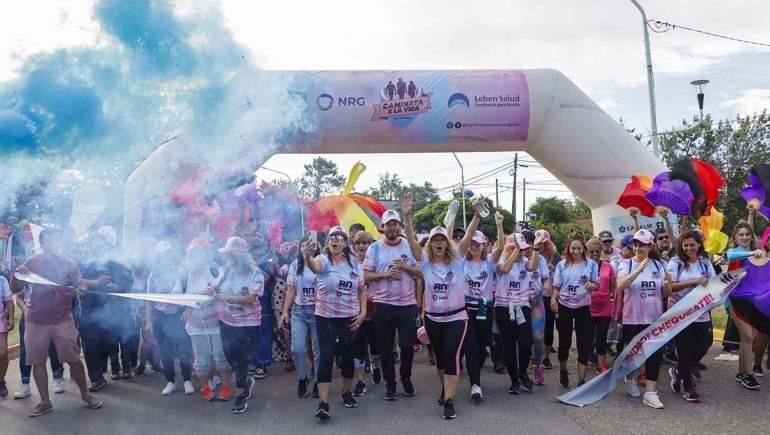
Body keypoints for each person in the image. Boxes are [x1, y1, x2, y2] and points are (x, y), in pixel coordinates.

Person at [9, 228, 102, 416]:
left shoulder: (68, 263)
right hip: (35, 320)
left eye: (55, 240)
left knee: (73, 359)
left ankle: (85, 394)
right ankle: (45, 402)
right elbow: (16, 288)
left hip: (62, 319)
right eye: (48, 241)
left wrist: (79, 290)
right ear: (43, 243)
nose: (52, 244)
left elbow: (79, 287)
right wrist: (17, 275)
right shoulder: (32, 262)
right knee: (37, 361)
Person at [402, 193, 470, 420]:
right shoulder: (425, 263)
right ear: (430, 245)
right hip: (433, 319)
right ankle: (445, 389)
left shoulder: (458, 259)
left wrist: (477, 217)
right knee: (440, 359)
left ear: (447, 243)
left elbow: (467, 236)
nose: (439, 243)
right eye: (435, 240)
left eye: (442, 239)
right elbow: (411, 241)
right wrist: (407, 216)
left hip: (456, 318)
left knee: (451, 355)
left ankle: (449, 401)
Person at [302, 226, 367, 420]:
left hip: (349, 317)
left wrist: (363, 312)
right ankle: (323, 403)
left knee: (348, 356)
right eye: (331, 238)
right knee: (326, 356)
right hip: (326, 317)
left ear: (346, 243)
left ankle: (346, 393)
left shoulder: (354, 264)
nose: (334, 240)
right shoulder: (323, 260)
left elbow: (362, 290)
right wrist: (307, 257)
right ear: (327, 243)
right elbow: (314, 266)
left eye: (339, 237)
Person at [363, 209, 422, 401]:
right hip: (383, 304)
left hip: (407, 305)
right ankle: (390, 385)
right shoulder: (375, 248)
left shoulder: (408, 245)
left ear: (399, 226)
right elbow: (366, 275)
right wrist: (385, 274)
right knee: (386, 348)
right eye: (388, 224)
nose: (392, 227)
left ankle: (406, 378)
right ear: (383, 228)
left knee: (407, 346)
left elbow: (421, 272)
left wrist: (404, 267)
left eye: (395, 223)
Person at [616, 229, 672, 409]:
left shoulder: (659, 265)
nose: (638, 247)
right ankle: (630, 377)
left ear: (650, 245)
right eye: (635, 244)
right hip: (632, 318)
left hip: (654, 319)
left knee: (654, 354)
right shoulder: (626, 264)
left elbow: (665, 293)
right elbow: (620, 286)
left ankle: (650, 393)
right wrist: (638, 270)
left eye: (642, 244)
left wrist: (668, 283)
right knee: (633, 354)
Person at [208, 236, 265, 413]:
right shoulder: (225, 270)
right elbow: (214, 288)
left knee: (240, 359)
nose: (227, 257)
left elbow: (250, 298)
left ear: (239, 255)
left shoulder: (256, 273)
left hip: (248, 323)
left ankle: (240, 397)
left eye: (230, 254)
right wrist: (211, 289)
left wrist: (227, 297)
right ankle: (246, 382)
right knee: (230, 356)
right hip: (226, 320)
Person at [175, 240, 233, 402]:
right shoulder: (184, 276)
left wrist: (215, 289)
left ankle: (226, 387)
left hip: (216, 322)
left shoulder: (215, 271)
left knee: (220, 356)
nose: (197, 258)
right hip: (196, 325)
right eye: (193, 255)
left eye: (200, 254)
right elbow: (177, 296)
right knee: (201, 359)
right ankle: (205, 388)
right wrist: (185, 303)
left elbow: (227, 288)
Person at [78, 232, 133, 389]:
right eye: (95, 243)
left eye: (101, 243)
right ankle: (96, 378)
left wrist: (118, 286)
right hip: (88, 310)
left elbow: (127, 278)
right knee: (90, 344)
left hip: (109, 310)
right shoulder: (82, 261)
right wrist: (96, 282)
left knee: (108, 342)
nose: (98, 246)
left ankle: (106, 371)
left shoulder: (112, 262)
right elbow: (76, 280)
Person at [666, 230, 715, 403]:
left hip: (701, 312)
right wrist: (693, 282)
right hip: (681, 312)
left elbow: (714, 284)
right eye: (685, 245)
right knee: (685, 349)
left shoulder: (705, 263)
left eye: (692, 244)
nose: (689, 248)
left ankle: (679, 371)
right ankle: (688, 387)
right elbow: (670, 287)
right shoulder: (675, 262)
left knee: (705, 342)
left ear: (699, 244)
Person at [461, 213, 503, 401]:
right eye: (471, 243)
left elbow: (501, 247)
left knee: (480, 347)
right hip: (466, 310)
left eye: (478, 244)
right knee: (471, 346)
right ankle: (475, 384)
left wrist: (499, 225)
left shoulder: (489, 262)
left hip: (485, 310)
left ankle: (476, 372)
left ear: (484, 245)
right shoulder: (461, 261)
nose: (474, 247)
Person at [496, 231, 544, 394]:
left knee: (525, 343)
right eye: (518, 249)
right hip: (503, 306)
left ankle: (523, 374)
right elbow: (505, 269)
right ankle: (514, 380)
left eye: (524, 249)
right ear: (509, 248)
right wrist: (515, 250)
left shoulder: (524, 261)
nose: (522, 252)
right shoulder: (500, 260)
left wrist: (535, 249)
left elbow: (534, 266)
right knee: (509, 346)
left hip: (522, 305)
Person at [550, 233, 599, 388]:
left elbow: (596, 284)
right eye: (573, 248)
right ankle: (563, 371)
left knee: (583, 343)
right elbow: (557, 286)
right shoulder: (562, 265)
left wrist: (593, 286)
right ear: (568, 248)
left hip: (583, 307)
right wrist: (553, 299)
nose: (576, 251)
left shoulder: (591, 264)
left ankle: (581, 381)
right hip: (565, 306)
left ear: (583, 249)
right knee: (564, 343)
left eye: (578, 248)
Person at [146, 241, 194, 396]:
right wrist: (149, 320)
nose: (165, 257)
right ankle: (170, 381)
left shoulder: (181, 272)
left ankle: (187, 380)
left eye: (168, 253)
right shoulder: (152, 276)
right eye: (162, 254)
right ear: (157, 257)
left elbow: (189, 293)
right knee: (165, 349)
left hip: (178, 314)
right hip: (160, 316)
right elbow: (149, 300)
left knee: (184, 347)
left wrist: (187, 310)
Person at [725, 220, 764, 390]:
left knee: (746, 339)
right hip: (735, 301)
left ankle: (741, 372)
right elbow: (730, 256)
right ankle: (749, 374)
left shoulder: (757, 253)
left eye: (747, 234)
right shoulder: (735, 252)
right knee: (748, 337)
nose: (745, 237)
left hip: (751, 302)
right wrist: (751, 254)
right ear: (735, 237)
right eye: (741, 234)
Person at [281, 234, 321, 399]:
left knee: (318, 351)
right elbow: (291, 289)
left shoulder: (321, 263)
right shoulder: (294, 265)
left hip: (319, 311)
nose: (308, 247)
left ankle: (319, 381)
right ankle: (302, 378)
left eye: (311, 245)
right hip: (299, 311)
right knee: (297, 349)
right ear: (300, 248)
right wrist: (285, 311)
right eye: (304, 245)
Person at [13, 284, 65, 399]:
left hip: (49, 315)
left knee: (53, 346)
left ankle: (57, 379)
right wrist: (26, 312)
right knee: (25, 351)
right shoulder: (26, 273)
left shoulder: (50, 272)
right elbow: (19, 298)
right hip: (29, 316)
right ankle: (25, 385)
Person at [350, 230, 382, 396]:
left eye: (365, 243)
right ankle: (361, 381)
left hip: (374, 308)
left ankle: (376, 368)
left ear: (370, 246)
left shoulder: (376, 262)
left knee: (375, 346)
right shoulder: (349, 263)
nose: (361, 246)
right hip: (356, 311)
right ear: (353, 246)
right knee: (358, 347)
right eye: (358, 243)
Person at [522, 230, 550, 385]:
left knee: (538, 336)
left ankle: (537, 367)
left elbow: (545, 277)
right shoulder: (516, 258)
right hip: (520, 302)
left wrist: (546, 285)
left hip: (537, 300)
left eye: (530, 246)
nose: (527, 249)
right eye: (524, 246)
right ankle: (522, 367)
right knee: (523, 338)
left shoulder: (540, 259)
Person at [586, 237, 616, 374]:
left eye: (597, 251)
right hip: (587, 306)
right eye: (591, 252)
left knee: (602, 336)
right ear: (587, 252)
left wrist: (613, 297)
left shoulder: (608, 266)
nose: (595, 254)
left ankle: (601, 364)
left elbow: (613, 287)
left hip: (604, 306)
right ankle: (585, 357)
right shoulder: (583, 266)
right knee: (588, 335)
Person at [536, 229, 561, 369]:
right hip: (536, 295)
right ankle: (536, 354)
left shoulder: (555, 256)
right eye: (538, 243)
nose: (540, 246)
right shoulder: (532, 255)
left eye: (543, 243)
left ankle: (545, 356)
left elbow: (563, 271)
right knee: (537, 327)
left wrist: (555, 267)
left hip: (551, 295)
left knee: (549, 326)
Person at [0, 274, 13, 397]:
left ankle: (1, 381)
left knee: (3, 352)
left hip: (0, 321)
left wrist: (11, 319)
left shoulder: (2, 280)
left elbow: (9, 300)